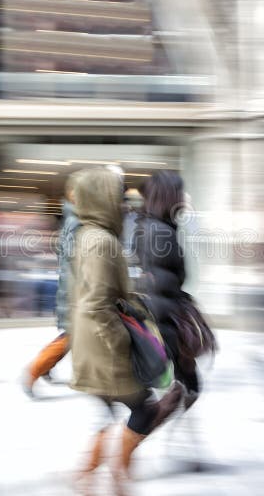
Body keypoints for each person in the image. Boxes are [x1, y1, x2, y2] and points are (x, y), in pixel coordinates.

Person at [69, 167, 183, 496]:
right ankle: (110, 478)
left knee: (121, 410)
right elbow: (96, 303)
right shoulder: (101, 241)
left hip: (94, 342)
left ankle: (94, 476)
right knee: (145, 409)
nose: (122, 203)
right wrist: (121, 341)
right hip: (105, 346)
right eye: (117, 197)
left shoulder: (91, 234)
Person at [135, 170, 206, 410]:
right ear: (170, 195)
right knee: (186, 376)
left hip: (157, 309)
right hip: (166, 312)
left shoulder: (146, 224)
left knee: (181, 373)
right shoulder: (163, 232)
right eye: (179, 192)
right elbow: (180, 275)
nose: (183, 196)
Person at [23, 175, 80, 397]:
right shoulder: (76, 222)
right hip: (75, 290)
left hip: (72, 288)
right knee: (72, 336)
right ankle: (34, 370)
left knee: (72, 336)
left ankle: (44, 367)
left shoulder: (72, 219)